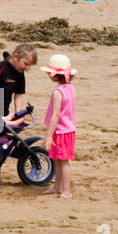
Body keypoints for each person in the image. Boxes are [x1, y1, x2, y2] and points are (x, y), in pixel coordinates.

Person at [0, 44, 39, 183]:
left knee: (0, 143)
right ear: (16, 56)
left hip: (3, 112)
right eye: (26, 64)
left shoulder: (20, 74)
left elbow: (18, 94)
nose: (27, 68)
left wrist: (19, 114)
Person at [40, 53, 77, 198]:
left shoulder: (58, 92)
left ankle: (66, 190)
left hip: (61, 130)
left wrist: (48, 135)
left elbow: (55, 115)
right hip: (67, 128)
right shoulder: (70, 88)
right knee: (58, 159)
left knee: (63, 162)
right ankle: (57, 186)